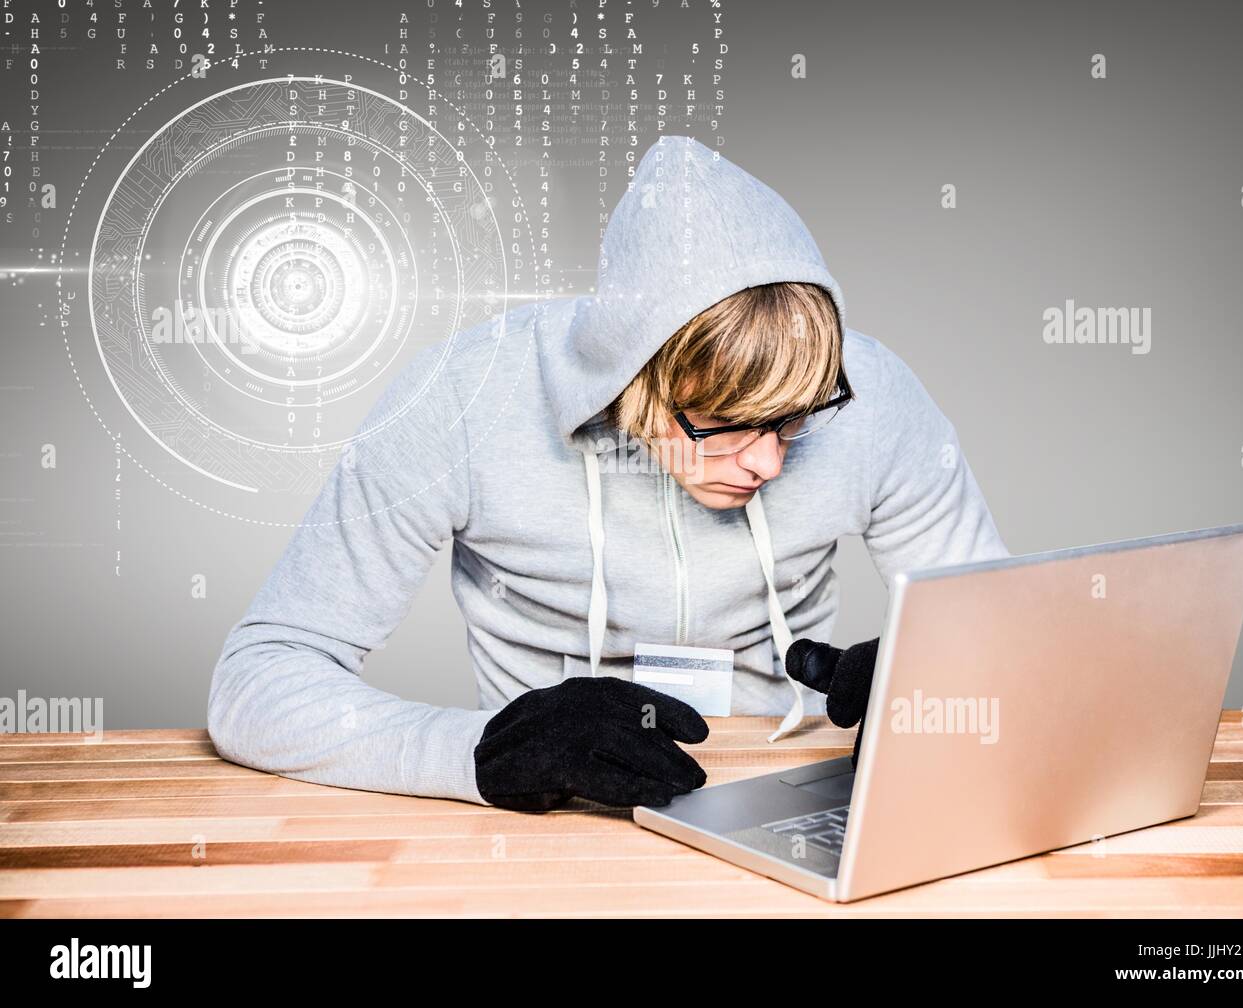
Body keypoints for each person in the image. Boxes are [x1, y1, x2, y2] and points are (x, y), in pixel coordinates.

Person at [206, 135, 1009, 812]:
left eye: (794, 420)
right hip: (550, 817)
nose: (767, 460)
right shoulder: (458, 398)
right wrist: (483, 754)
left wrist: (936, 671)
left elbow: (1008, 641)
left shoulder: (876, 396)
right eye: (725, 424)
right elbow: (257, 684)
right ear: (632, 377)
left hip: (790, 800)